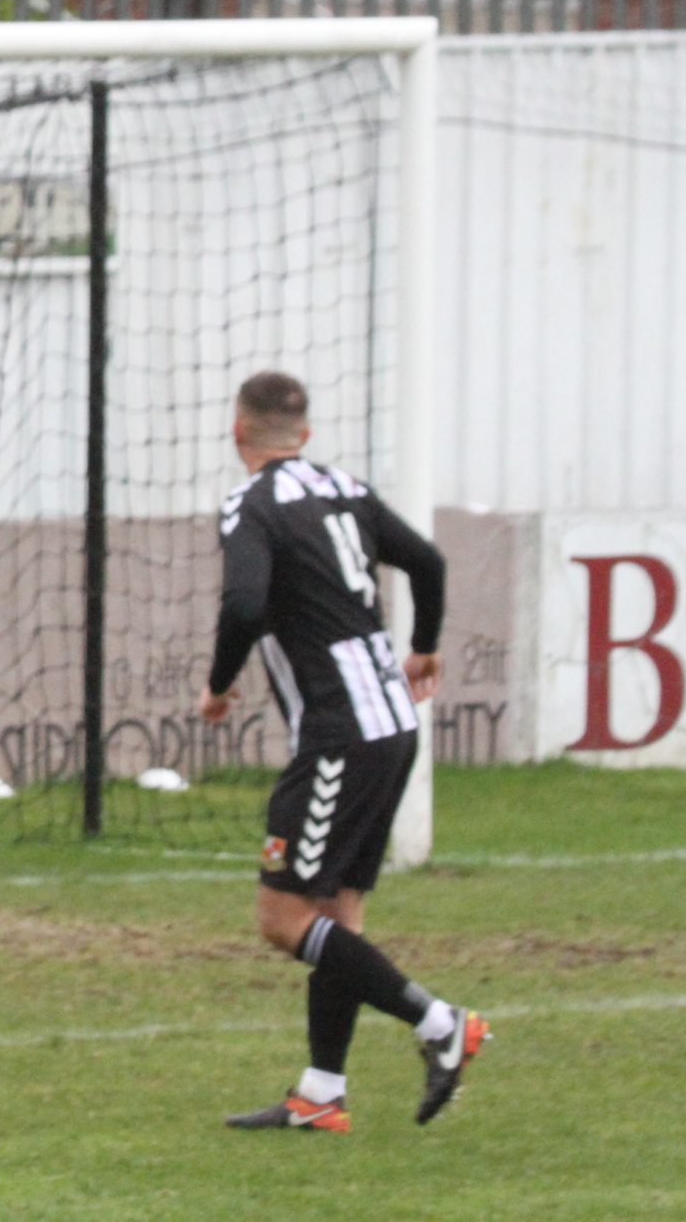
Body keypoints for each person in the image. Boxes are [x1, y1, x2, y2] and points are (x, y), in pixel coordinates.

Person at [201, 372, 489, 1133]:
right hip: (393, 724)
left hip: (342, 729)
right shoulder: (347, 489)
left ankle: (440, 1023)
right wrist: (424, 646)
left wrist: (219, 684)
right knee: (337, 915)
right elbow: (427, 561)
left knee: (281, 915)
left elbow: (242, 603)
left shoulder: (249, 506)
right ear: (305, 433)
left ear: (239, 433)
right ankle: (321, 1092)